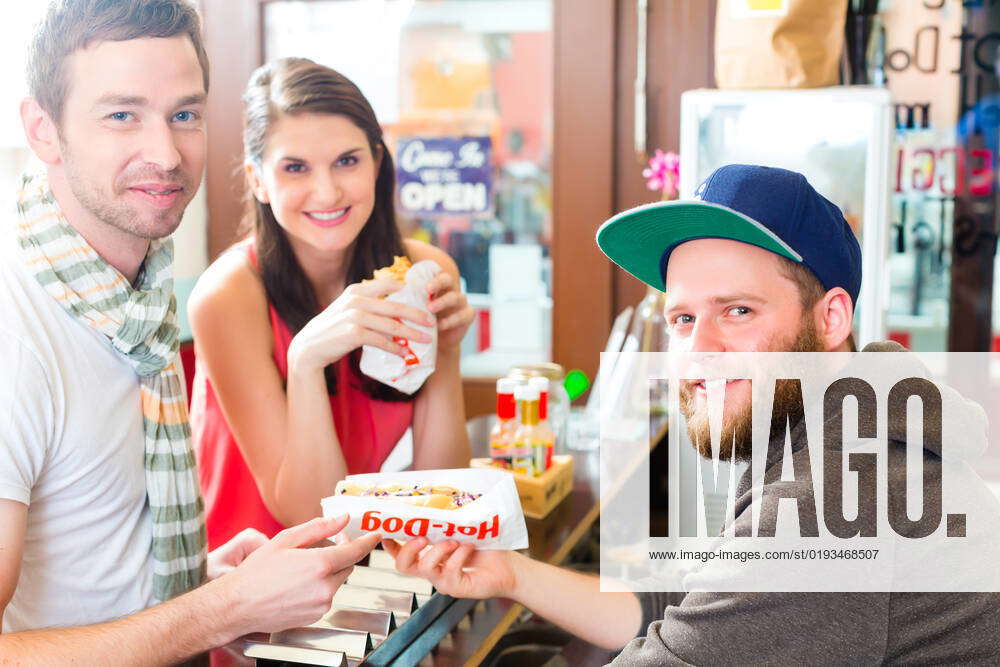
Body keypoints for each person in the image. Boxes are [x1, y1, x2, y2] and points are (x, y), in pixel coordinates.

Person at [386, 164, 1000, 663]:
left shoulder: (832, 500)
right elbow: (678, 612)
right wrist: (511, 575)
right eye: (683, 318)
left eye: (737, 311)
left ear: (831, 317)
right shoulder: (832, 420)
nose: (699, 351)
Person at [0, 1, 379, 661]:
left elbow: (88, 581)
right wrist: (217, 609)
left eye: (185, 115)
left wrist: (204, 580)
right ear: (43, 129)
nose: (166, 153)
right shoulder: (15, 332)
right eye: (122, 115)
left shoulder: (133, 296)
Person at [187, 57, 474, 550]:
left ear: (377, 163)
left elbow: (441, 492)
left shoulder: (427, 272)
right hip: (244, 582)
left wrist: (443, 352)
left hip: (360, 572)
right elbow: (309, 515)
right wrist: (304, 359)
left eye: (347, 160)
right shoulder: (227, 296)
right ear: (258, 180)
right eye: (295, 167)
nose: (327, 191)